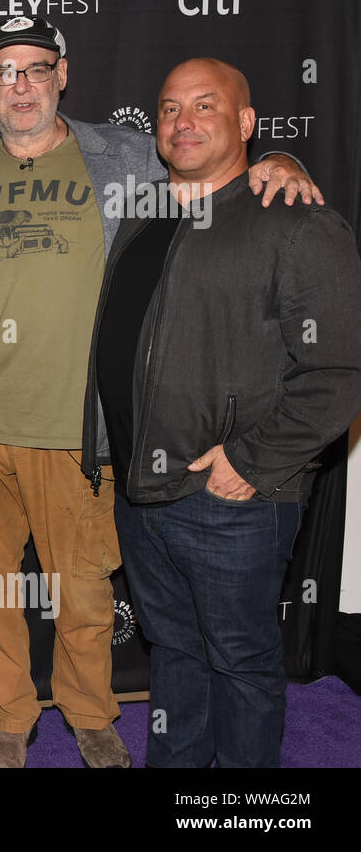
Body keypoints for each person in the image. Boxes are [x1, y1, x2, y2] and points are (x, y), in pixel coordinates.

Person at [0, 16, 321, 768]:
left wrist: (282, 157)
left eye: (36, 68)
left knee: (84, 597)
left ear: (63, 74)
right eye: (4, 71)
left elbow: (215, 166)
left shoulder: (124, 159)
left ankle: (88, 715)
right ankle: (8, 722)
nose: (21, 84)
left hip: (86, 431)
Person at [88, 57, 361, 767]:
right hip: (141, 490)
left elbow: (339, 371)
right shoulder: (145, 213)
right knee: (175, 654)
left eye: (205, 107)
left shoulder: (295, 221)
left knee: (240, 664)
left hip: (232, 499)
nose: (183, 122)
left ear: (245, 123)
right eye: (170, 108)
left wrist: (250, 463)